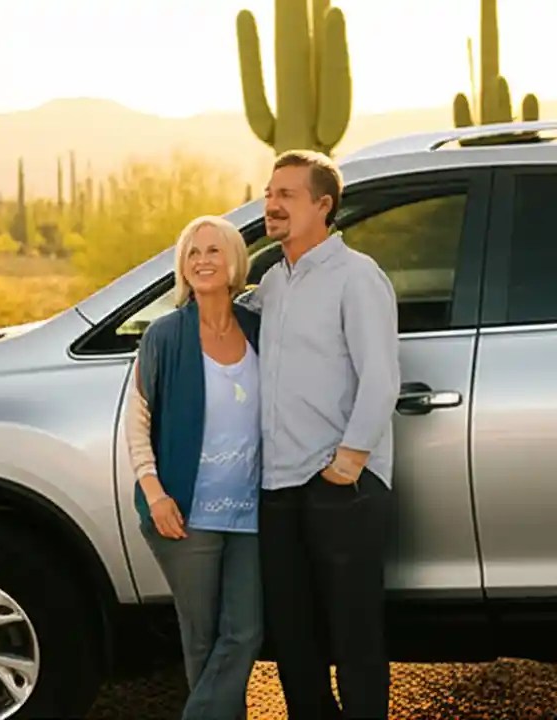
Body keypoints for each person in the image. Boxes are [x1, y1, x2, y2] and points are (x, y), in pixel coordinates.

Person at [239, 149, 400, 719]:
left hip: (340, 486)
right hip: (278, 486)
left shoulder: (357, 277)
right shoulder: (272, 284)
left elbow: (381, 378)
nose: (271, 204)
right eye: (268, 193)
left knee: (353, 635)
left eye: (287, 194)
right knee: (292, 637)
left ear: (323, 205)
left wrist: (347, 465)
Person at [124, 214, 264, 720]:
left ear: (234, 263)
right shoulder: (164, 336)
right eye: (193, 253)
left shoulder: (257, 329)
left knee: (246, 630)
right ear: (184, 267)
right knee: (202, 638)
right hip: (184, 511)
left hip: (250, 511)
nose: (203, 260)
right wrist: (155, 493)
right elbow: (136, 421)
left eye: (214, 250)